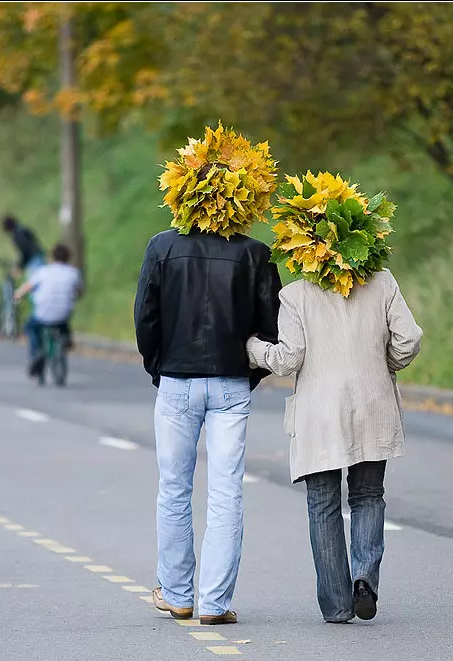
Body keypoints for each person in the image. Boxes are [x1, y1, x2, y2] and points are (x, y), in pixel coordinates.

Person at [134, 123, 281, 625]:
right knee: (227, 490)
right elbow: (270, 328)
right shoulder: (255, 254)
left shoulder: (161, 247)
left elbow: (146, 318)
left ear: (184, 194)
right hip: (229, 384)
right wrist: (245, 375)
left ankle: (177, 593)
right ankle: (215, 603)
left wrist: (160, 367)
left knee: (173, 488)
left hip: (176, 379)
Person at [247, 268, 422, 623]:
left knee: (323, 505)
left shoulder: (296, 294)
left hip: (319, 415)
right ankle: (364, 580)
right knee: (368, 496)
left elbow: (288, 359)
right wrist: (379, 364)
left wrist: (252, 347)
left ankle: (337, 606)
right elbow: (409, 339)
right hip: (374, 405)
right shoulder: (383, 280)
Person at [14, 244, 84, 376]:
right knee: (63, 323)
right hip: (64, 313)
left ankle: (36, 354)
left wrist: (17, 295)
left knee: (31, 328)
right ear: (68, 258)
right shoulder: (73, 273)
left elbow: (26, 287)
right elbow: (80, 291)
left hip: (43, 314)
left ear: (52, 257)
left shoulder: (43, 271)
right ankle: (66, 339)